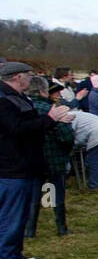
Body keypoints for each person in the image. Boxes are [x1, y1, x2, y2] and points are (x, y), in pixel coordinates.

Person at [0, 62, 71, 259]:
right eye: (28, 75)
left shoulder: (19, 98)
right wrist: (49, 118)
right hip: (12, 167)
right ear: (17, 77)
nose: (31, 79)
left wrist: (54, 120)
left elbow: (30, 123)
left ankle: (14, 253)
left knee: (19, 214)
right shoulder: (4, 101)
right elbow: (17, 128)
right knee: (10, 214)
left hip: (25, 164)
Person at [24, 75, 76, 237]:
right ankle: (61, 228)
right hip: (53, 157)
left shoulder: (23, 108)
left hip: (30, 160)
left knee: (34, 196)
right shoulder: (52, 110)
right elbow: (66, 136)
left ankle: (30, 230)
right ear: (43, 91)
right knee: (56, 194)